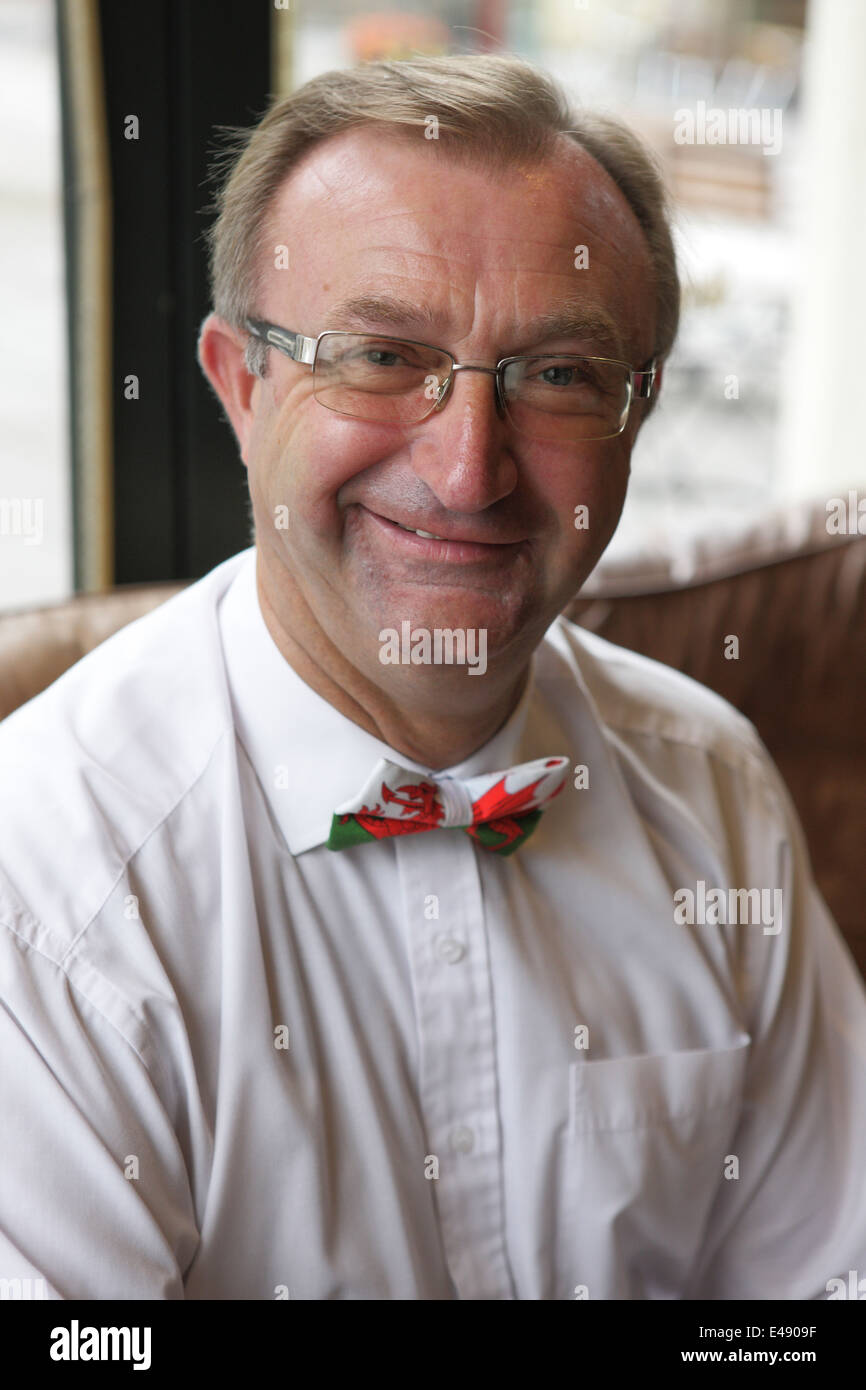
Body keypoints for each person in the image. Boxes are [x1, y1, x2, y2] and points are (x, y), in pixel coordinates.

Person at [1, 54, 864, 1302]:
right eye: (380, 357)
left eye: (558, 376)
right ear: (241, 387)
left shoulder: (710, 788)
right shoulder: (45, 893)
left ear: (637, 414)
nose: (468, 471)